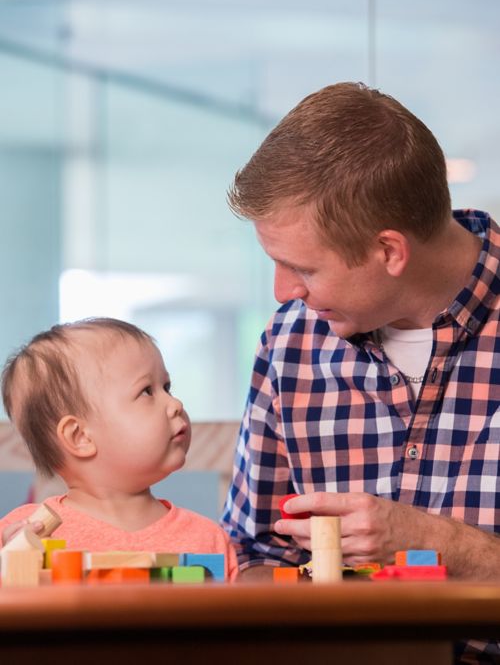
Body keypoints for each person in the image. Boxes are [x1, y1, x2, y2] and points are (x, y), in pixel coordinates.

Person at [220, 82, 500, 660]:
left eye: (302, 268)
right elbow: (254, 553)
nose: (283, 293)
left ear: (390, 251)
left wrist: (439, 546)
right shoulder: (291, 339)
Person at [0, 317, 238, 581]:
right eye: (147, 392)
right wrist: (12, 569)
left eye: (167, 387)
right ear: (79, 436)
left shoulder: (206, 538)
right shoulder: (27, 534)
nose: (175, 403)